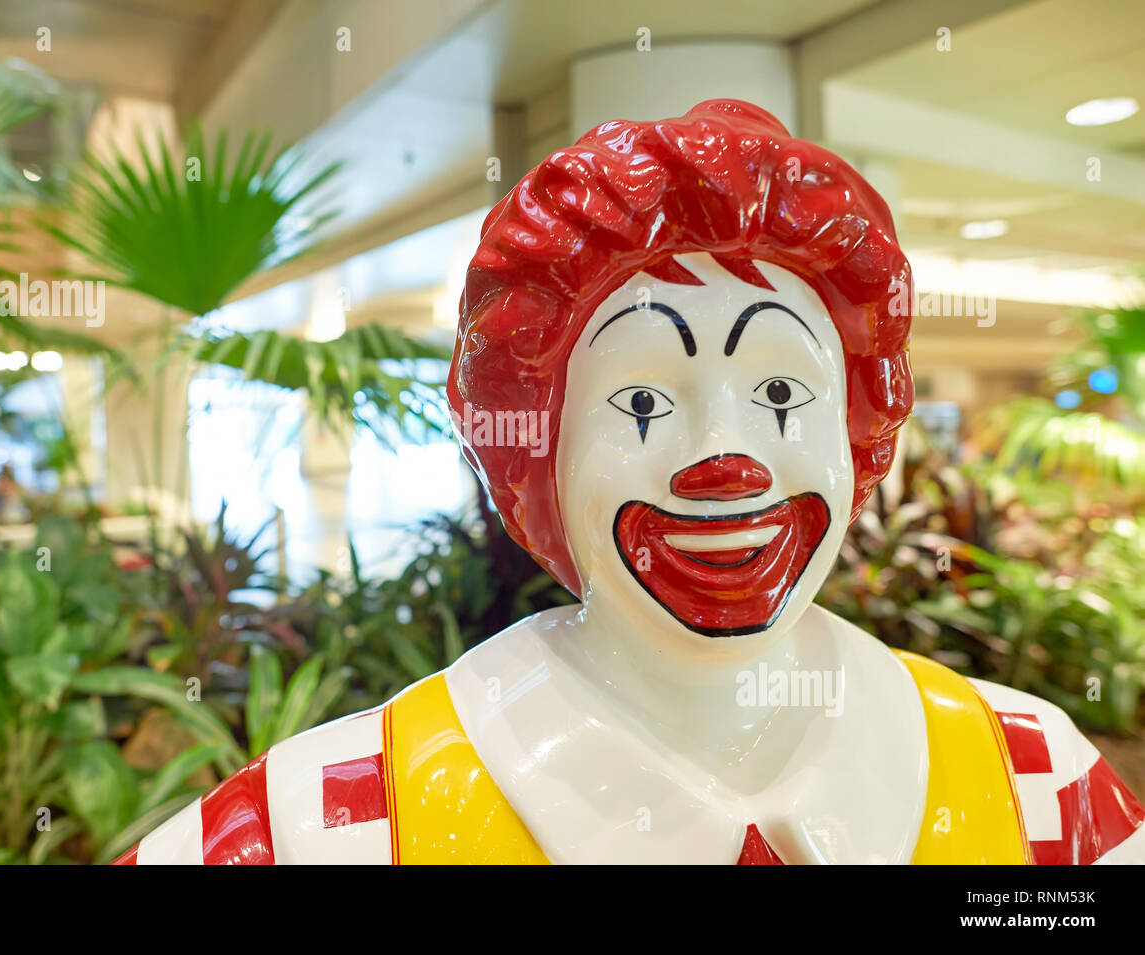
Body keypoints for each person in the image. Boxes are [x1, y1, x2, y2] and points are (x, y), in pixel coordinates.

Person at [115, 99, 1143, 865]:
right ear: (538, 462)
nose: (721, 456)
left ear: (857, 433)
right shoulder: (327, 827)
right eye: (641, 404)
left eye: (781, 391)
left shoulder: (1037, 786)